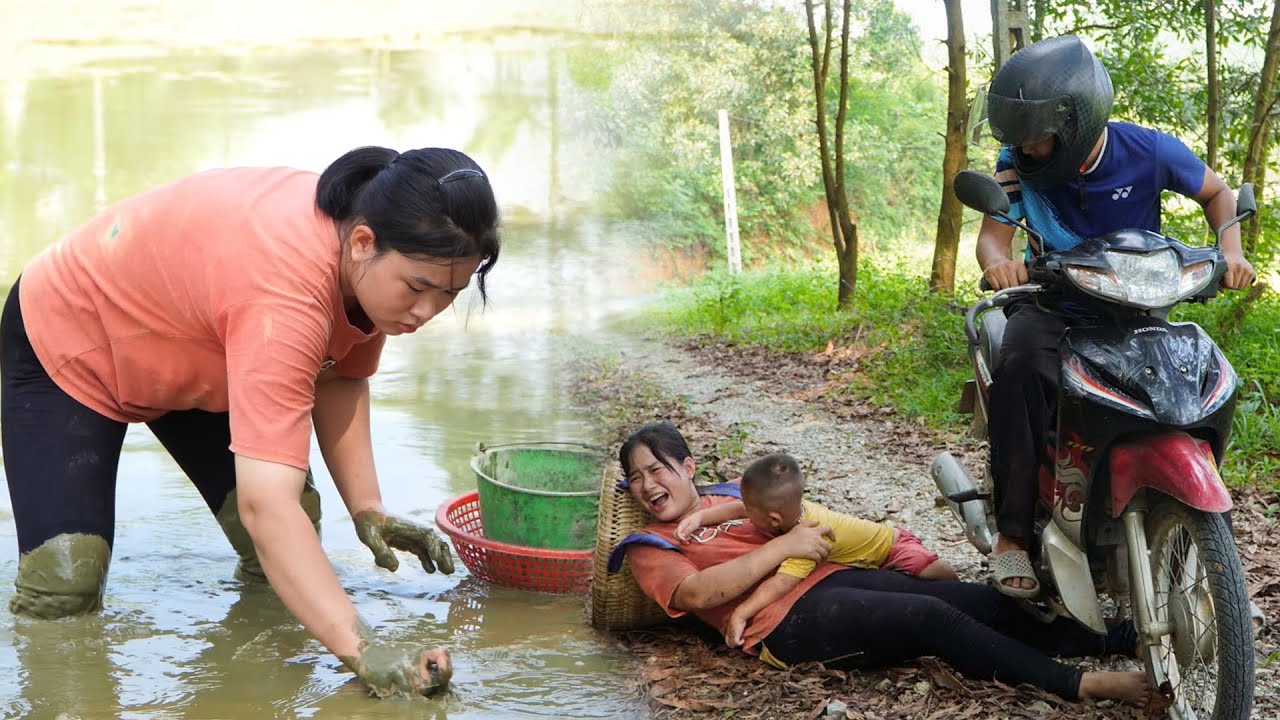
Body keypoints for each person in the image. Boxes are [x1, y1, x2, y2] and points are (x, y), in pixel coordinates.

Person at [0, 145, 501, 697]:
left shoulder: (373, 252)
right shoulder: (285, 292)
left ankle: (253, 686)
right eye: (417, 287)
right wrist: (363, 650)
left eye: (447, 294)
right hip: (75, 343)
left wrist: (368, 508)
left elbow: (339, 375)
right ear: (362, 243)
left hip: (198, 352)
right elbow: (266, 506)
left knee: (293, 537)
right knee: (64, 586)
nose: (425, 312)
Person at [973, 35, 1257, 597]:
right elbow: (991, 235)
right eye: (1021, 143)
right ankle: (1012, 537)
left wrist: (1231, 251)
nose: (1028, 152)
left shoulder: (1148, 150)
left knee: (1198, 381)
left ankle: (1205, 554)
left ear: (1077, 120)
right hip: (1055, 305)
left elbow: (1218, 193)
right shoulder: (1015, 165)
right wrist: (1001, 265)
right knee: (1022, 368)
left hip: (1139, 307)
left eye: (1038, 140)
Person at [613, 422, 1155, 706]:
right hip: (786, 626)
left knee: (975, 599)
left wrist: (887, 550)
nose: (648, 485)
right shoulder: (648, 545)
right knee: (930, 622)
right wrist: (783, 548)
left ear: (686, 467)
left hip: (837, 578)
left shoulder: (729, 497)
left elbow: (807, 516)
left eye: (656, 470)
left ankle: (1124, 637)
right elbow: (700, 594)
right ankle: (1079, 684)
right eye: (636, 478)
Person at [674, 451, 957, 646]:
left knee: (932, 573)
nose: (744, 513)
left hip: (892, 545)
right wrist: (699, 517)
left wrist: (741, 613)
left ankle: (959, 582)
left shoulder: (808, 536)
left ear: (773, 519)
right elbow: (734, 510)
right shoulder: (784, 513)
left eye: (750, 511)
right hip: (867, 555)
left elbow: (780, 584)